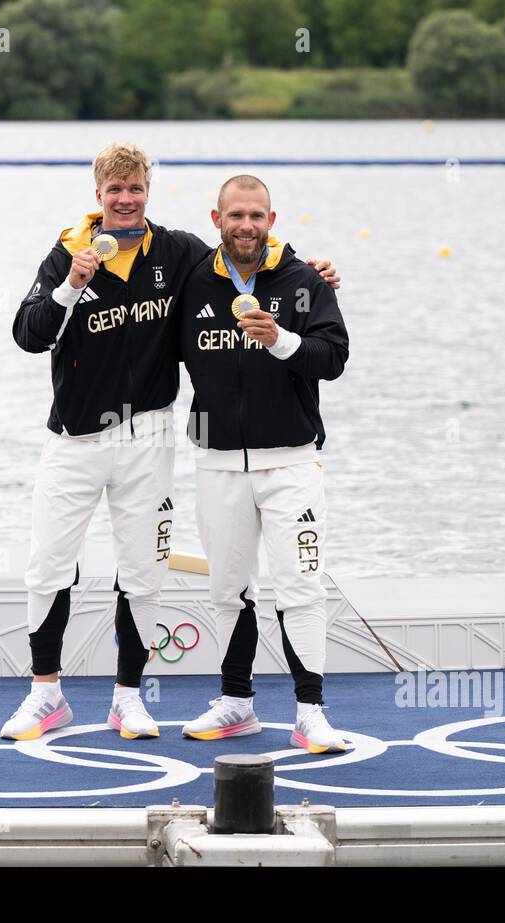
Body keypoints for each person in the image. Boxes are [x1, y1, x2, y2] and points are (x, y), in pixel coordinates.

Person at [3, 144, 339, 741]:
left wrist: (310, 276)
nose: (125, 200)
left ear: (147, 193)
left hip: (150, 435)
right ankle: (45, 693)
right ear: (98, 197)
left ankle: (127, 698)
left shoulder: (179, 252)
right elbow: (28, 336)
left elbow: (243, 263)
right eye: (114, 192)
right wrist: (69, 288)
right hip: (75, 436)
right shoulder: (68, 255)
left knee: (143, 573)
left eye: (135, 189)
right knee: (46, 567)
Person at [177, 174, 351, 754]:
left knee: (300, 589)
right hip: (217, 462)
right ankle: (236, 704)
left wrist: (280, 339)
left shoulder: (303, 282)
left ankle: (311, 711)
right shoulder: (193, 281)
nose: (246, 225)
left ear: (272, 221)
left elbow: (333, 358)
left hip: (292, 464)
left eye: (257, 216)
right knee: (228, 590)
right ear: (217, 219)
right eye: (236, 216)